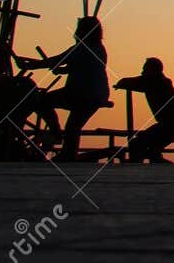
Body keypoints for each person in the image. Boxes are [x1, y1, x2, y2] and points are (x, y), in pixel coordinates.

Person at [13, 17, 110, 161]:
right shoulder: (99, 49)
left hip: (80, 93)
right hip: (98, 94)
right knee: (73, 127)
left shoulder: (81, 48)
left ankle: (56, 132)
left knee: (42, 101)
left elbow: (57, 60)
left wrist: (30, 65)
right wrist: (62, 70)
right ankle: (68, 154)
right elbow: (81, 67)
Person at [115, 58, 174, 163]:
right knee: (148, 146)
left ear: (153, 70)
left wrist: (121, 83)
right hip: (173, 124)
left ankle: (136, 165)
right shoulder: (160, 82)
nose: (142, 72)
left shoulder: (156, 82)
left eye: (145, 70)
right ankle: (153, 159)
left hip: (172, 125)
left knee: (137, 143)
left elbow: (132, 82)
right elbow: (137, 82)